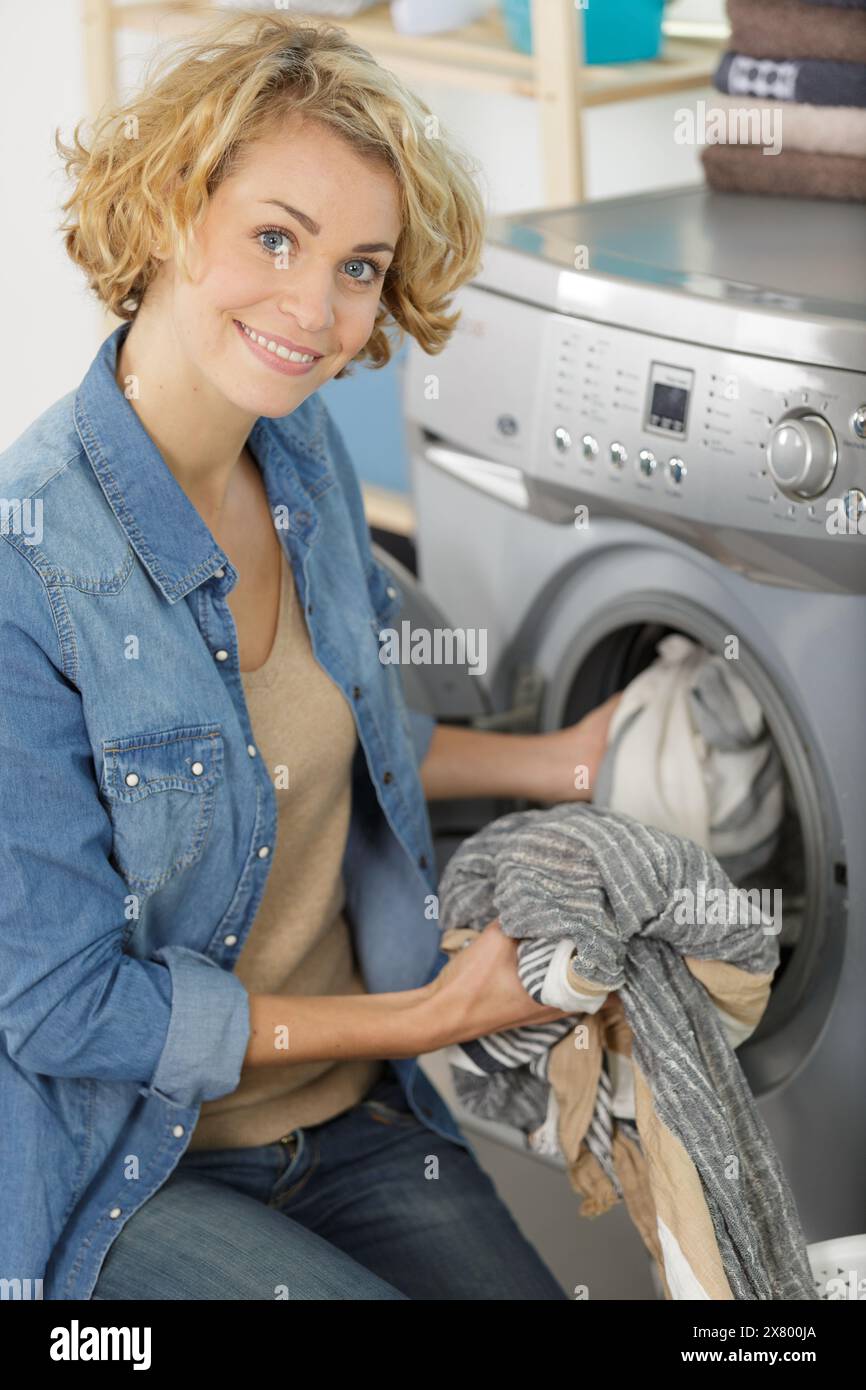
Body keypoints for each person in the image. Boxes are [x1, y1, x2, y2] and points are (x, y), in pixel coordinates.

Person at [0, 12, 621, 1301]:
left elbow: (340, 738)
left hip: (344, 1120)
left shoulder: (297, 461)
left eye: (358, 266)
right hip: (122, 1173)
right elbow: (62, 1009)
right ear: (174, 210)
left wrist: (580, 764)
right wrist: (423, 1019)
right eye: (274, 238)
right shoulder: (27, 567)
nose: (315, 309)